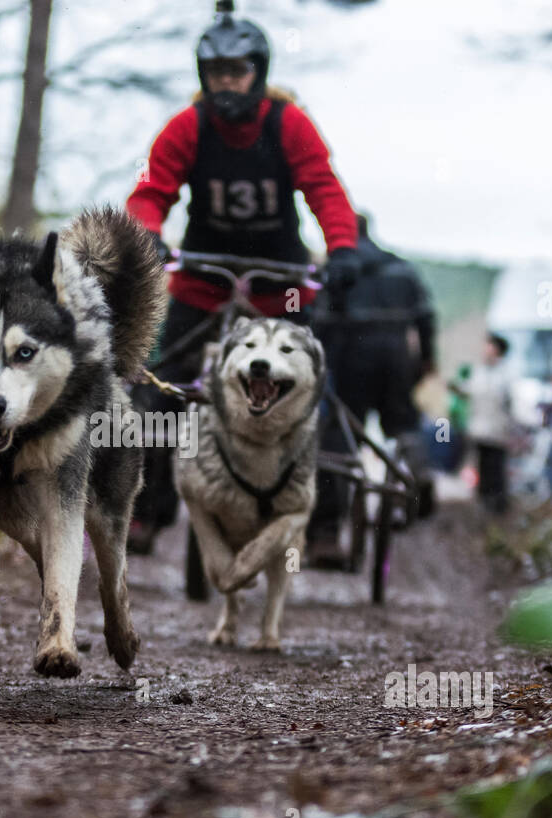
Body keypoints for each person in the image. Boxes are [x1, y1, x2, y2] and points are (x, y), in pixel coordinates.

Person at [123, 0, 361, 555]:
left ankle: (323, 524)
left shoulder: (289, 124)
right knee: (161, 392)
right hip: (202, 283)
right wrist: (149, 234)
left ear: (260, 73)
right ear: (204, 76)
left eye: (238, 72)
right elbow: (151, 192)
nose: (227, 83)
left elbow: (324, 188)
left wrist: (343, 248)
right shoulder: (189, 125)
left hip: (280, 288)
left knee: (315, 388)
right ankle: (145, 514)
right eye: (217, 73)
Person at [306, 212, 438, 568]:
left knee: (339, 436)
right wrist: (426, 359)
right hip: (396, 355)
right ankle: (418, 475)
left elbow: (315, 319)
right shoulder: (402, 269)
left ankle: (326, 535)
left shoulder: (335, 270)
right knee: (403, 422)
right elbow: (426, 316)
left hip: (349, 354)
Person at [456, 333, 515, 514]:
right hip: (480, 430)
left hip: (498, 431)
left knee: (495, 468)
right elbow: (470, 390)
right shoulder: (479, 371)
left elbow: (510, 402)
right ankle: (485, 503)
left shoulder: (506, 374)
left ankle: (497, 506)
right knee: (483, 467)